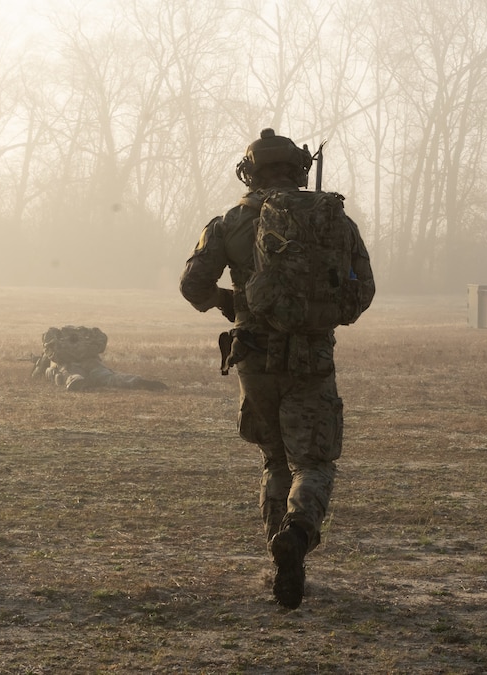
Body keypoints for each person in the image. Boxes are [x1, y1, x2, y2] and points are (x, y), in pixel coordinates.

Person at [179, 128, 374, 609]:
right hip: (312, 357)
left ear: (250, 171)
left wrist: (236, 302)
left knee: (274, 458)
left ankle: (280, 560)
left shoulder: (230, 222)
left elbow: (192, 284)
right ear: (298, 168)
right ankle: (300, 532)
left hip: (255, 358)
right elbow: (361, 293)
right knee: (314, 461)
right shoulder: (334, 220)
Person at [32, 325, 167, 392]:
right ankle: (136, 381)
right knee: (108, 376)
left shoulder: (52, 352)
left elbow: (37, 373)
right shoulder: (83, 342)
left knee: (69, 375)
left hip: (69, 365)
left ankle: (78, 382)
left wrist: (38, 369)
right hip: (92, 362)